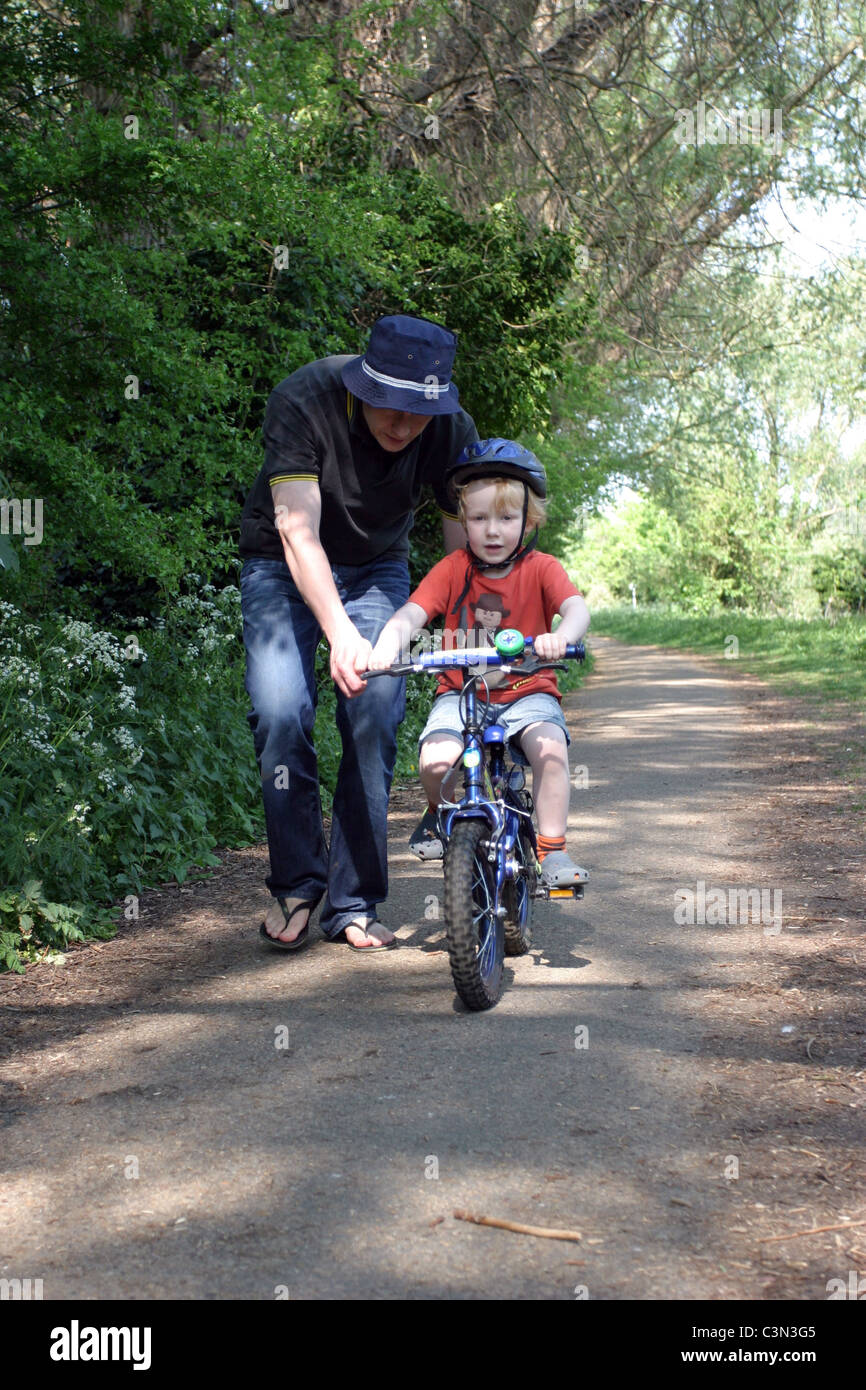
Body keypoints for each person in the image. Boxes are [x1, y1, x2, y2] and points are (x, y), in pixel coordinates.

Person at [239, 315, 478, 951]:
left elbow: (463, 545)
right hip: (281, 562)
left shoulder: (449, 429)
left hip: (379, 569)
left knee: (373, 706)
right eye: (389, 408)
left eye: (417, 413)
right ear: (362, 384)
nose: (402, 426)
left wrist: (466, 633)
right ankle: (297, 882)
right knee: (280, 711)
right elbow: (296, 529)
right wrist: (339, 630)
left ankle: (352, 900)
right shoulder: (305, 400)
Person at [369, 438, 591, 884]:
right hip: (462, 692)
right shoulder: (453, 569)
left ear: (528, 523)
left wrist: (559, 637)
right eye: (479, 518)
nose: (493, 531)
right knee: (435, 763)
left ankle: (553, 851)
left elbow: (576, 609)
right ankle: (438, 812)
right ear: (464, 521)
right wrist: (388, 643)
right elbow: (414, 612)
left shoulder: (542, 568)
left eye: (506, 518)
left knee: (550, 750)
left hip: (528, 691)